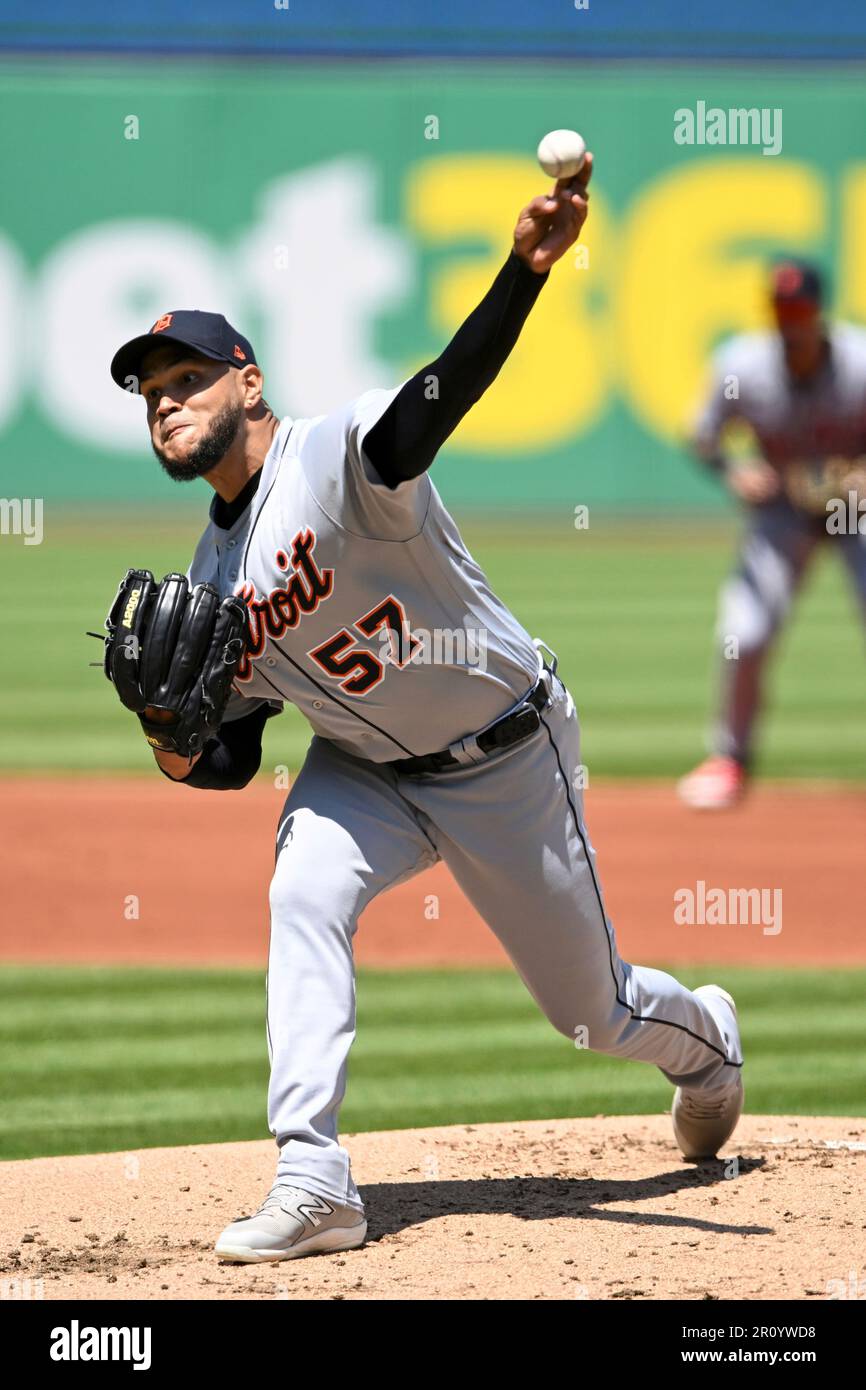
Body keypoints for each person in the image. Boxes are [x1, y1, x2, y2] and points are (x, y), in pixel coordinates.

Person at [108, 151, 743, 1265]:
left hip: (504, 752)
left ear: (247, 382)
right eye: (150, 392)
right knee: (302, 883)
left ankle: (707, 1046)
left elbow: (439, 393)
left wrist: (522, 273)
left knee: (592, 1014)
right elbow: (228, 755)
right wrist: (170, 736)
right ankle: (314, 1177)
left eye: (187, 378)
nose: (166, 401)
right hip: (364, 771)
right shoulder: (207, 583)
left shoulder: (338, 457)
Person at [678, 259, 866, 810]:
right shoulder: (743, 365)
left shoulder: (859, 363)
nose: (791, 321)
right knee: (747, 632)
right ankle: (730, 759)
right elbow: (702, 435)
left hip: (856, 512)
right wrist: (733, 471)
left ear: (819, 312)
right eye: (782, 310)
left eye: (800, 310)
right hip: (784, 512)